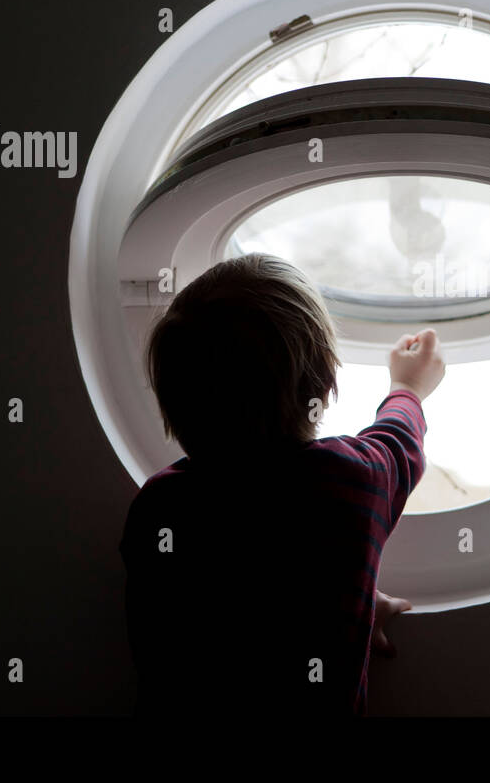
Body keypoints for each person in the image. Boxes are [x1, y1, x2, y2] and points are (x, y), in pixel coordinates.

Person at [118, 253, 445, 716]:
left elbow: (226, 611)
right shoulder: (349, 480)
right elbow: (398, 443)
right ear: (328, 381)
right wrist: (407, 388)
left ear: (174, 400)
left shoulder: (158, 506)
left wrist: (346, 606)